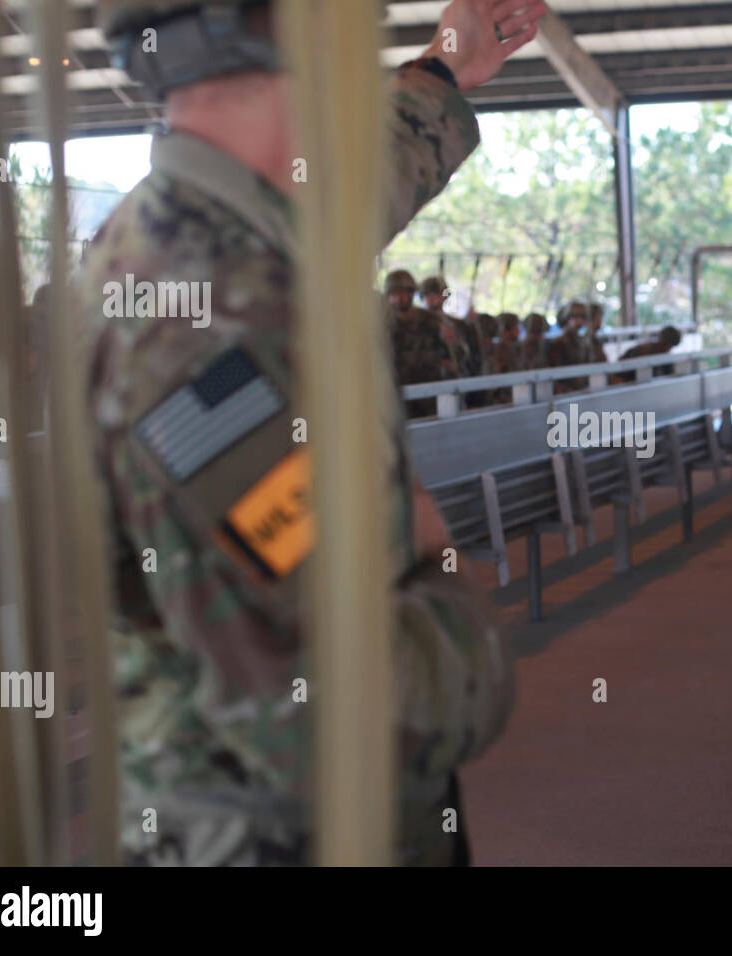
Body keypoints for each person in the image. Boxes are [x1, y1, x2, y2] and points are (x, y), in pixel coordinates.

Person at [78, 0, 545, 866]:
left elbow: (339, 192)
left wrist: (446, 70)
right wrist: (445, 576)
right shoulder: (207, 328)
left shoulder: (212, 225)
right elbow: (339, 723)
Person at [385, 269, 453, 418]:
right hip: (397, 398)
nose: (399, 298)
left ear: (412, 293)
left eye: (404, 293)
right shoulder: (384, 325)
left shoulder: (432, 321)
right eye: (394, 293)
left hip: (429, 396)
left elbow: (455, 358)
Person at [611, 325, 681, 384]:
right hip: (627, 384)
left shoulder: (664, 356)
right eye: (668, 345)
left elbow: (670, 374)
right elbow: (620, 374)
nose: (668, 349)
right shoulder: (644, 351)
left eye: (670, 346)